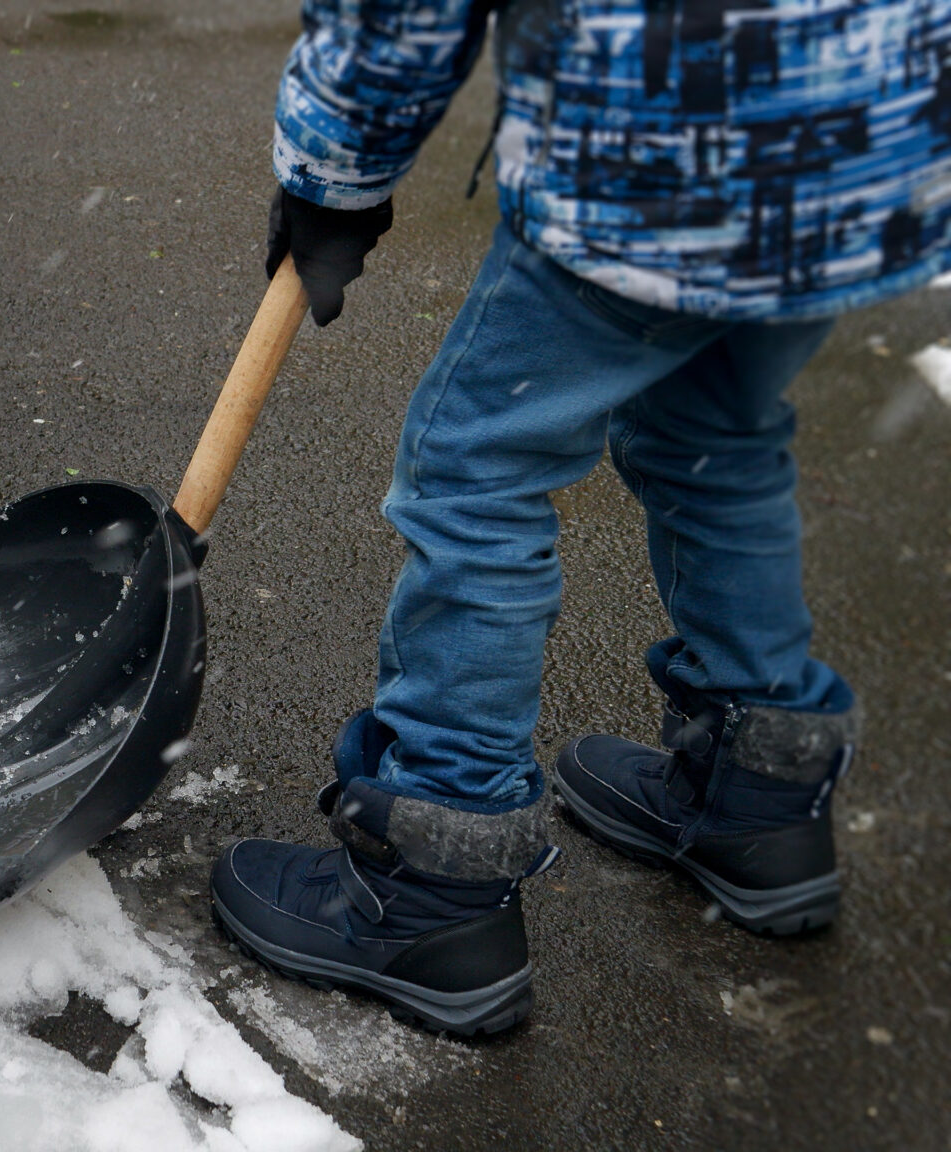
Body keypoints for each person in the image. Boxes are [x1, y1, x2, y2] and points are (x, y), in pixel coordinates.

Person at [208, 0, 946, 1036]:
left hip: (660, 137)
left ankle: (430, 885)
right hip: (861, 141)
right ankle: (758, 799)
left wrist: (336, 173)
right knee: (717, 434)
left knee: (475, 471)